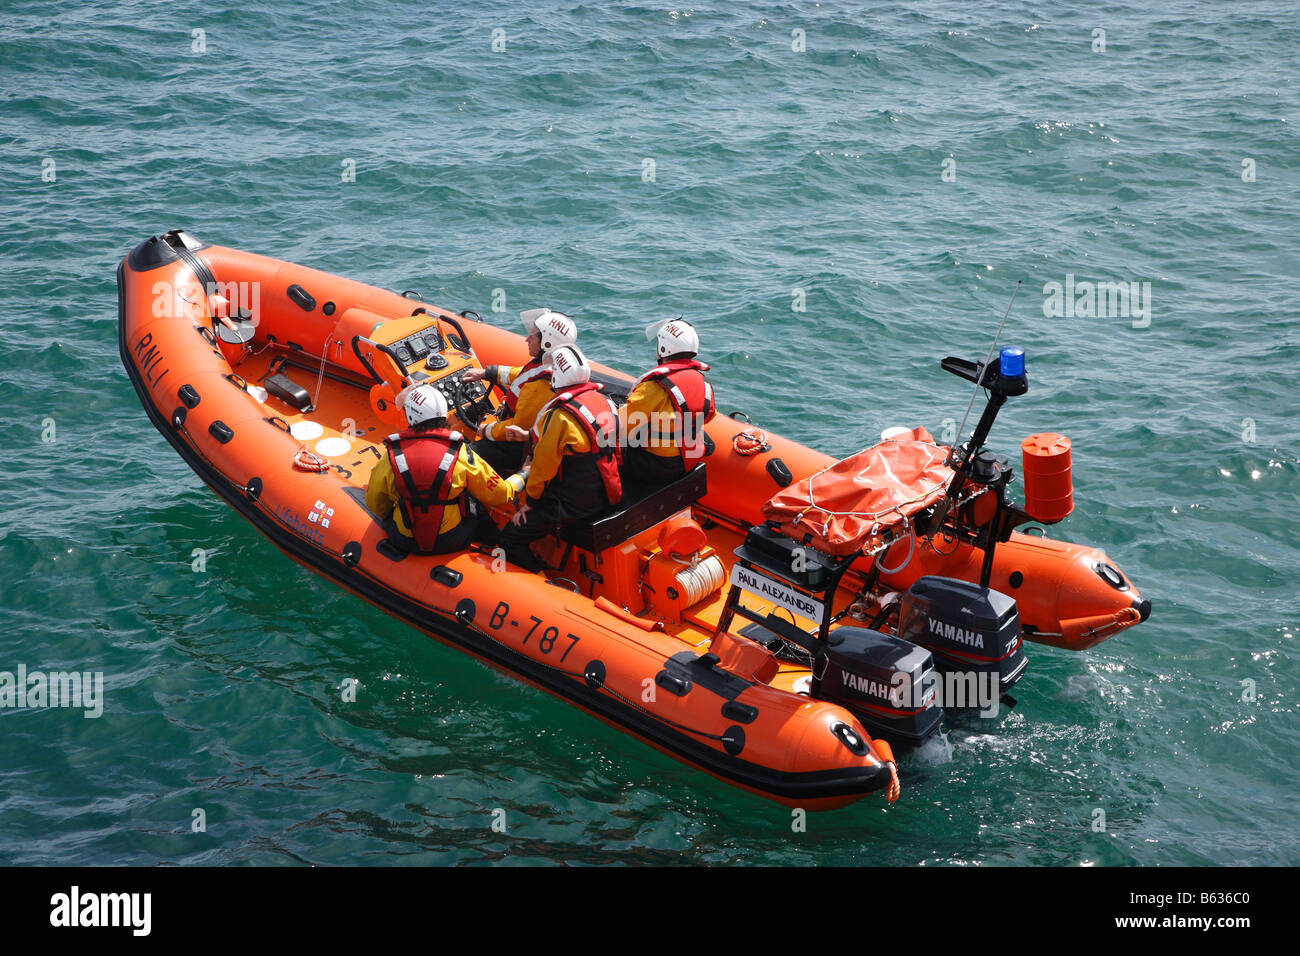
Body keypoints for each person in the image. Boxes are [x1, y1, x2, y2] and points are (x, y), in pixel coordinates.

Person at [499, 345, 622, 571]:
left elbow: (542, 469)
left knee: (509, 538)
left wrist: (530, 504)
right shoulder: (605, 402)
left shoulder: (558, 416)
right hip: (608, 492)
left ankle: (541, 580)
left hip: (573, 505)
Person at [366, 383, 524, 554]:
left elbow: (376, 503)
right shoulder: (461, 453)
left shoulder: (392, 455)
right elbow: (501, 494)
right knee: (470, 496)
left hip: (405, 539)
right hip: (452, 538)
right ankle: (495, 546)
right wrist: (524, 474)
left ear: (411, 415)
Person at [464, 308, 578, 476]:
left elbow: (516, 429)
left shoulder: (541, 386)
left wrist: (486, 430)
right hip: (523, 437)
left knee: (462, 457)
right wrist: (486, 373)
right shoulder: (553, 367)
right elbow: (524, 374)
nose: (526, 340)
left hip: (514, 448)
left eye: (532, 337)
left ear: (546, 343)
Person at [619, 318, 716, 488]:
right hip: (687, 461)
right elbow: (709, 415)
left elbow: (620, 426)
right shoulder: (703, 382)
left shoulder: (655, 386)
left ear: (664, 348)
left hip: (656, 467)